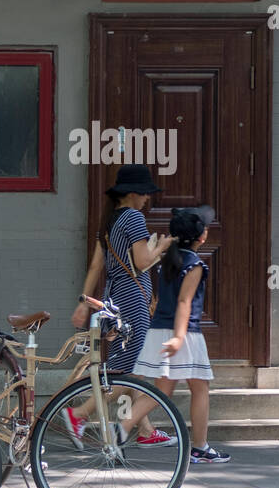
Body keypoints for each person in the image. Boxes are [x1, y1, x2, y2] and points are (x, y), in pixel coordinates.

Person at [68, 164, 177, 444]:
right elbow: (141, 262)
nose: (147, 199)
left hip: (113, 297)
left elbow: (95, 265)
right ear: (132, 193)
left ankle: (145, 430)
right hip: (132, 298)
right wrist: (161, 248)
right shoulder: (134, 218)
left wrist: (83, 301)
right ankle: (79, 413)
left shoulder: (108, 221)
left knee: (126, 367)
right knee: (134, 370)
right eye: (145, 193)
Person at [129, 207, 230, 464]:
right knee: (200, 387)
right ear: (202, 237)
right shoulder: (194, 264)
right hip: (185, 334)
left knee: (160, 391)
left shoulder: (167, 261)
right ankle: (200, 447)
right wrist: (179, 337)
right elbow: (184, 302)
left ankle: (118, 431)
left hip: (159, 328)